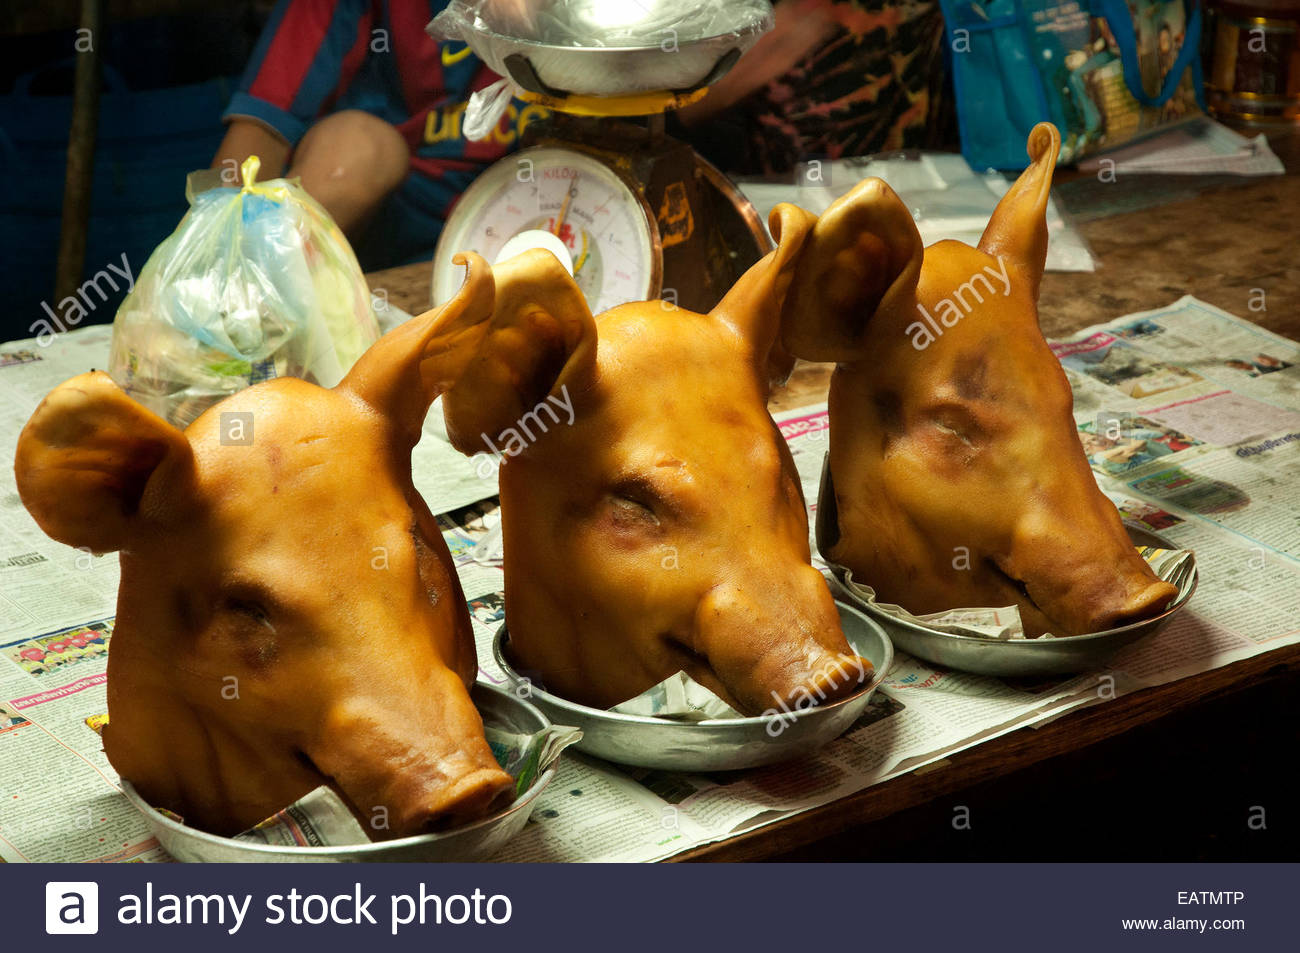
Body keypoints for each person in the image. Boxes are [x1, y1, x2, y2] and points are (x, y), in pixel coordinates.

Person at [212, 0, 547, 270]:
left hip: (551, 207)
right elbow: (262, 125)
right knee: (357, 146)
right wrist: (206, 263)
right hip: (388, 221)